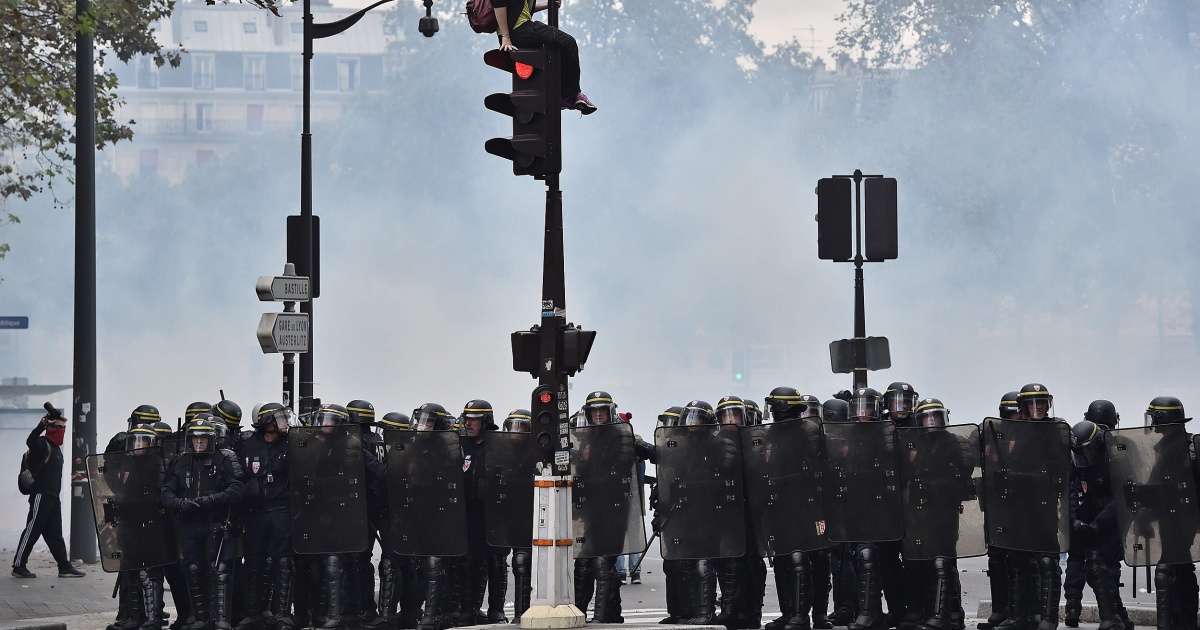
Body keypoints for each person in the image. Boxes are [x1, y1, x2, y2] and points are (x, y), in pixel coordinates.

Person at [12, 406, 84, 579]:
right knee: (32, 530)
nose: (62, 431)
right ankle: (18, 566)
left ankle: (64, 567)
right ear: (50, 428)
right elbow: (30, 440)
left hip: (53, 497)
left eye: (64, 428)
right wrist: (43, 421)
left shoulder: (57, 449)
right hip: (41, 495)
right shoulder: (42, 444)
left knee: (55, 534)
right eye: (59, 427)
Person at [494, 0, 597, 114]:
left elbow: (521, 8)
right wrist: (506, 36)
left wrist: (548, 5)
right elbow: (498, 3)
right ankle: (569, 96)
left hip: (518, 31)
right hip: (519, 30)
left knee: (552, 50)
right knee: (568, 43)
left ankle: (553, 92)